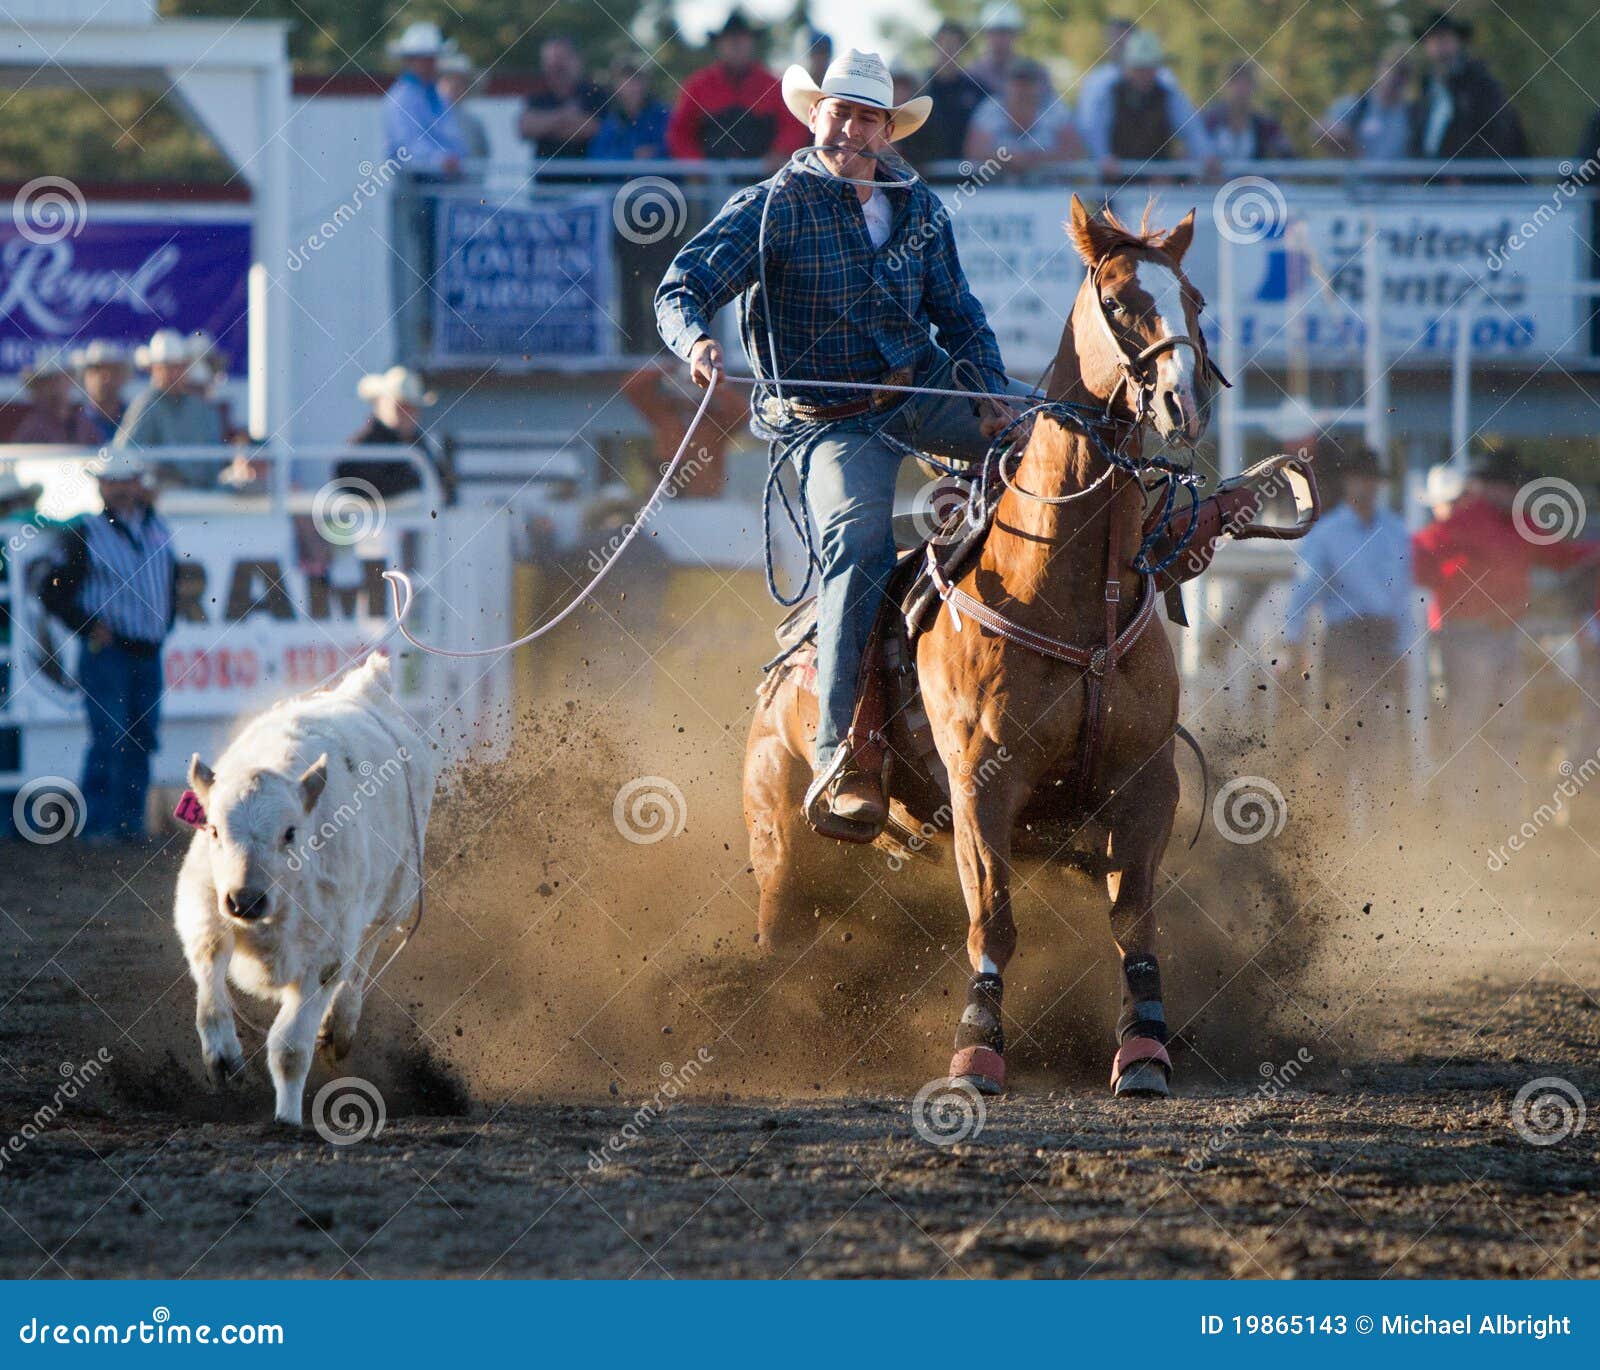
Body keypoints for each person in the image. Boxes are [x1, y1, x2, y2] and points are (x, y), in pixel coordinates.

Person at [656, 49, 1019, 828]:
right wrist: (694, 341)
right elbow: (681, 284)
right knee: (856, 542)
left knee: (1054, 445)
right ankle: (838, 756)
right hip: (830, 421)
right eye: (839, 112)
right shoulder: (773, 207)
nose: (851, 128)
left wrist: (989, 389)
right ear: (813, 116)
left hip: (918, 391)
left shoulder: (920, 211)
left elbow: (960, 318)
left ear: (889, 132)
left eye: (866, 118)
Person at [1412, 445, 1597, 826]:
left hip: (1502, 634)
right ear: (1486, 488)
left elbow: (1563, 554)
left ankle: (1503, 818)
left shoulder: (1518, 523)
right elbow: (1421, 555)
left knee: (1506, 727)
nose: (1513, 495)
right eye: (1508, 487)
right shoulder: (1466, 520)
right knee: (1469, 727)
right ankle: (1463, 818)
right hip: (1468, 635)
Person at [39, 453, 177, 843]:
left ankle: (129, 823)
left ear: (136, 483)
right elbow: (52, 589)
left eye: (123, 481)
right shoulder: (86, 532)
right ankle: (99, 824)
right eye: (110, 482)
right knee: (109, 735)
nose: (117, 489)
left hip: (146, 651)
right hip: (110, 653)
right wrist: (86, 626)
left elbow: (170, 583)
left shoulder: (157, 528)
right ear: (101, 487)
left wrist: (164, 624)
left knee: (141, 736)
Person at [1277, 446, 1414, 831]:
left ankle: (1381, 818)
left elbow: (1403, 596)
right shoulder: (1328, 533)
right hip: (1348, 636)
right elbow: (1304, 591)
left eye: (1371, 479)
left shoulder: (1396, 530)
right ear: (1348, 481)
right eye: (1360, 478)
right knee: (1358, 719)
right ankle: (1338, 816)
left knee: (1376, 725)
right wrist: (1293, 639)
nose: (1367, 486)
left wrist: (1405, 646)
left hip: (1384, 638)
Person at [383, 21, 467, 362]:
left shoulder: (435, 98)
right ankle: (426, 340)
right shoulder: (400, 99)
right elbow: (407, 149)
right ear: (410, 61)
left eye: (431, 58)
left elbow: (456, 144)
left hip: (439, 196)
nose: (429, 64)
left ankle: (437, 337)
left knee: (437, 269)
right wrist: (440, 160)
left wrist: (449, 160)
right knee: (422, 271)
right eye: (422, 58)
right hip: (418, 195)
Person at [665, 10, 808, 162]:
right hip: (712, 182)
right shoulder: (698, 86)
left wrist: (780, 152)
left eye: (742, 39)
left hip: (763, 180)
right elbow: (679, 132)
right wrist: (695, 165)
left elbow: (795, 126)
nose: (736, 45)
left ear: (752, 43)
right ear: (719, 45)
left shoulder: (773, 86)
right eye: (730, 40)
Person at [1080, 30, 1218, 179]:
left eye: (1150, 67)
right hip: (1118, 185)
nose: (1145, 74)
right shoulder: (1109, 94)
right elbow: (1095, 130)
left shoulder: (1168, 95)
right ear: (1127, 66)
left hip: (1159, 182)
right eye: (1139, 67)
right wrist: (1103, 157)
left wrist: (1206, 155)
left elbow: (1191, 128)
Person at [1410, 10, 1526, 162]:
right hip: (1433, 178)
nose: (1439, 47)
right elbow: (1421, 136)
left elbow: (1499, 133)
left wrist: (1465, 174)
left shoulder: (1480, 82)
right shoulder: (1426, 88)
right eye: (1432, 40)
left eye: (1444, 38)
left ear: (1457, 41)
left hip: (1473, 178)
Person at [116, 330, 225, 486]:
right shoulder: (145, 404)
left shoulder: (200, 408)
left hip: (202, 494)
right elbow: (125, 454)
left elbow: (214, 461)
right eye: (167, 368)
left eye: (179, 367)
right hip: (162, 494)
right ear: (154, 369)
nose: (174, 374)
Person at [338, 366, 443, 499]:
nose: (407, 413)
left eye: (412, 407)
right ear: (381, 403)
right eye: (400, 405)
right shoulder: (367, 442)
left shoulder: (417, 441)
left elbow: (441, 483)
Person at [964, 59, 1084, 171]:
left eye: (1030, 82)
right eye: (1018, 82)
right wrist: (1008, 159)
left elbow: (1073, 152)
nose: (1023, 88)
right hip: (998, 189)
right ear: (1006, 84)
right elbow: (974, 152)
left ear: (1040, 85)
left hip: (1049, 188)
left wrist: (1034, 159)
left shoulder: (1056, 110)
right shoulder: (990, 109)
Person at [906, 20, 989, 166]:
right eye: (942, 44)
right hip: (924, 172)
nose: (947, 50)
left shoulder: (978, 90)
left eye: (954, 45)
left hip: (968, 172)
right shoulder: (917, 88)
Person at [519, 35, 607, 172]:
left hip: (587, 183)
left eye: (561, 60)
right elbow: (525, 128)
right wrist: (565, 116)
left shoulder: (595, 92)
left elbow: (594, 129)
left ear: (577, 60)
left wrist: (545, 126)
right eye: (552, 62)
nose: (557, 67)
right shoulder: (538, 93)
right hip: (545, 185)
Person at [1320, 43, 1415, 161]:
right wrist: (1341, 138)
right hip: (1357, 179)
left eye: (1402, 72)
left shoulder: (1412, 114)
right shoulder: (1357, 105)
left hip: (1394, 179)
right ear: (1379, 69)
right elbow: (1318, 129)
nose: (1394, 77)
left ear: (1408, 78)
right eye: (1390, 68)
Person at [1201, 61, 1295, 162]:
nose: (1241, 89)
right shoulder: (1209, 121)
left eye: (1247, 83)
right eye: (1235, 82)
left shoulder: (1265, 124)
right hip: (1217, 178)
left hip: (1254, 177)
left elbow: (1289, 154)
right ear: (1224, 86)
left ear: (1254, 87)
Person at [10, 350, 101, 445]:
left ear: (69, 380)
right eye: (46, 382)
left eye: (58, 379)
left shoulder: (86, 425)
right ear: (37, 389)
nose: (53, 387)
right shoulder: (30, 430)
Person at [588, 60, 671, 160]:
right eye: (625, 81)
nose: (631, 87)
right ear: (616, 86)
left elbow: (678, 145)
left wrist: (657, 152)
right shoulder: (610, 121)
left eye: (636, 80)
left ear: (645, 83)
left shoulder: (664, 116)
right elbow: (597, 157)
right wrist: (631, 156)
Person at [70, 341, 131, 445]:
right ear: (84, 377)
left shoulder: (136, 416)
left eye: (112, 371)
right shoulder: (71, 421)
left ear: (123, 376)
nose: (104, 377)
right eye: (95, 370)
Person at [437, 50, 491, 168]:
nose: (454, 86)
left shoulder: (473, 124)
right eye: (449, 80)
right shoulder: (427, 117)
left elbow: (483, 156)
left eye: (460, 82)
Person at [968, 2, 1023, 95]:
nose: (999, 39)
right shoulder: (972, 74)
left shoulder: (1033, 73)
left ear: (1015, 34)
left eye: (1005, 33)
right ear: (985, 34)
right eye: (994, 33)